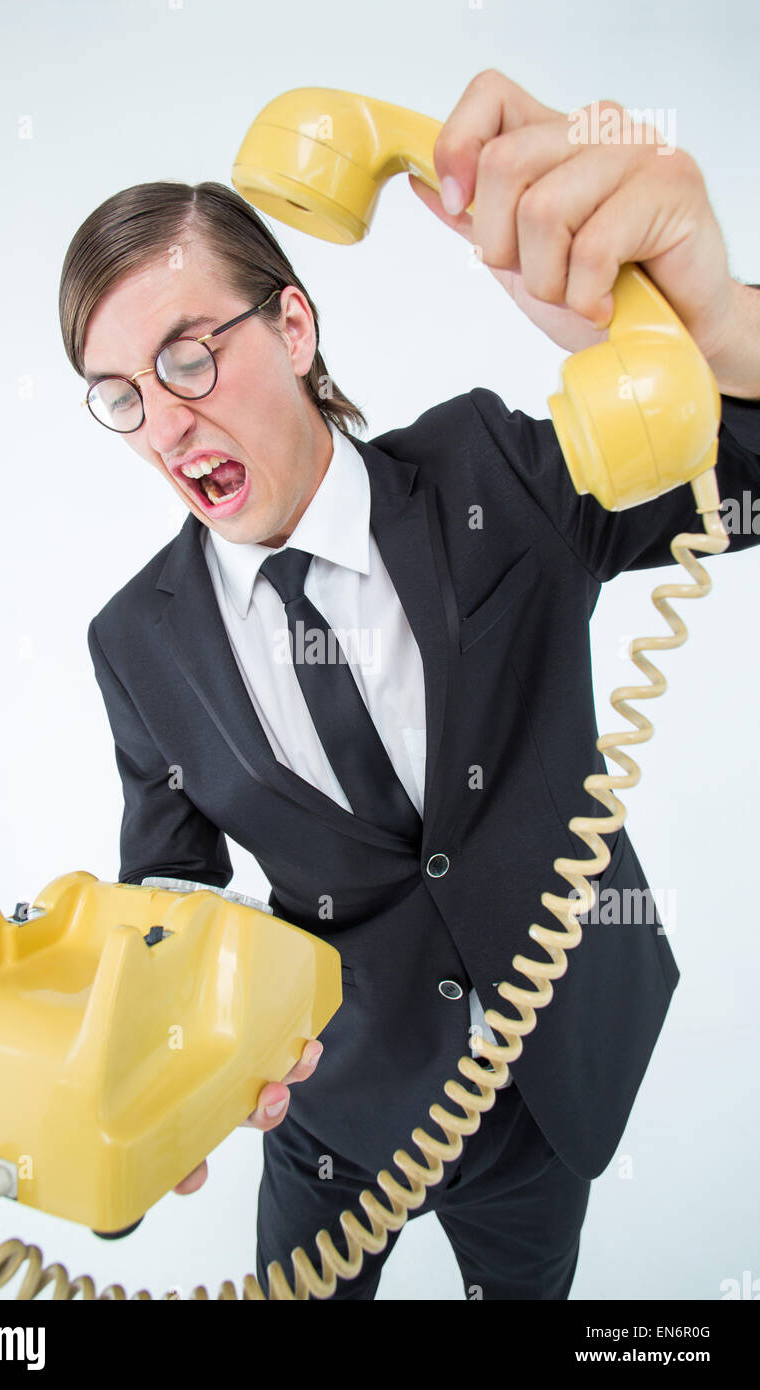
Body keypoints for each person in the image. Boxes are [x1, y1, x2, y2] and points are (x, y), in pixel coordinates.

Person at [61, 72, 760, 1298]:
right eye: (122, 395)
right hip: (329, 1120)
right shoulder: (135, 640)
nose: (164, 427)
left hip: (541, 1100)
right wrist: (119, 1095)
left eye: (187, 357)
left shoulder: (494, 471)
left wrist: (709, 319)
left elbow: (747, 475)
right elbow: (171, 885)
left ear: (292, 327)